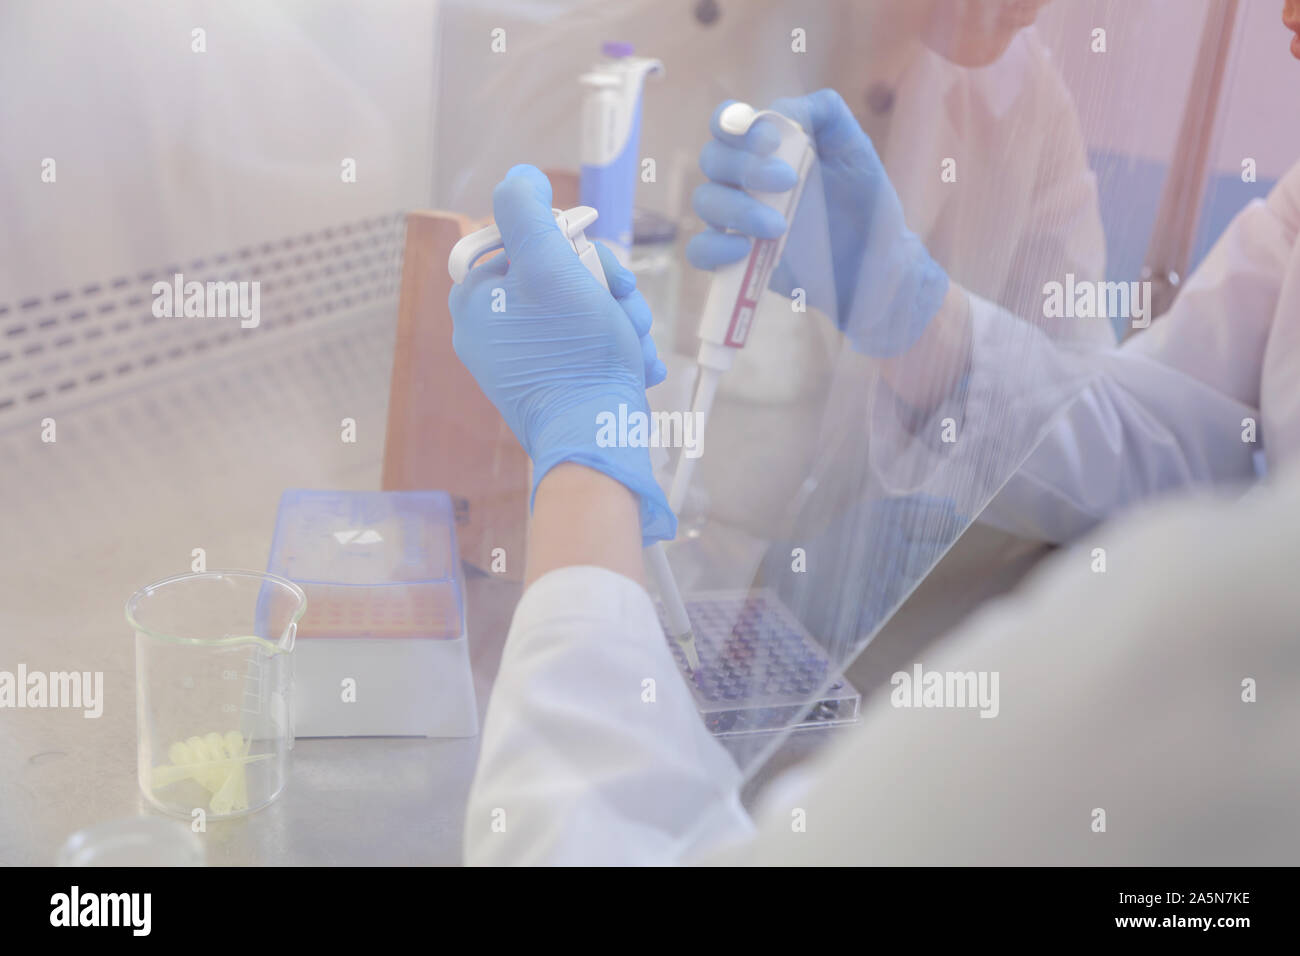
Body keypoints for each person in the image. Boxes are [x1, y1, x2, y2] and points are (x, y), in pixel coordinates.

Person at [452, 162, 1300, 865]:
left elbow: (599, 839)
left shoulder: (1233, 648)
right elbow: (1197, 440)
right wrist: (909, 313)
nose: (1286, 17)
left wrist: (578, 445)